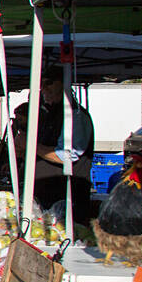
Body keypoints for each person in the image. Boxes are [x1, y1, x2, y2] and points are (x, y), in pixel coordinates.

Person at [29, 70, 95, 223]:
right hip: (47, 201)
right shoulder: (51, 114)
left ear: (63, 83)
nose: (44, 88)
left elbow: (67, 155)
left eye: (49, 82)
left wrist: (31, 146)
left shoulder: (75, 115)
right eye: (41, 84)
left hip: (67, 201)